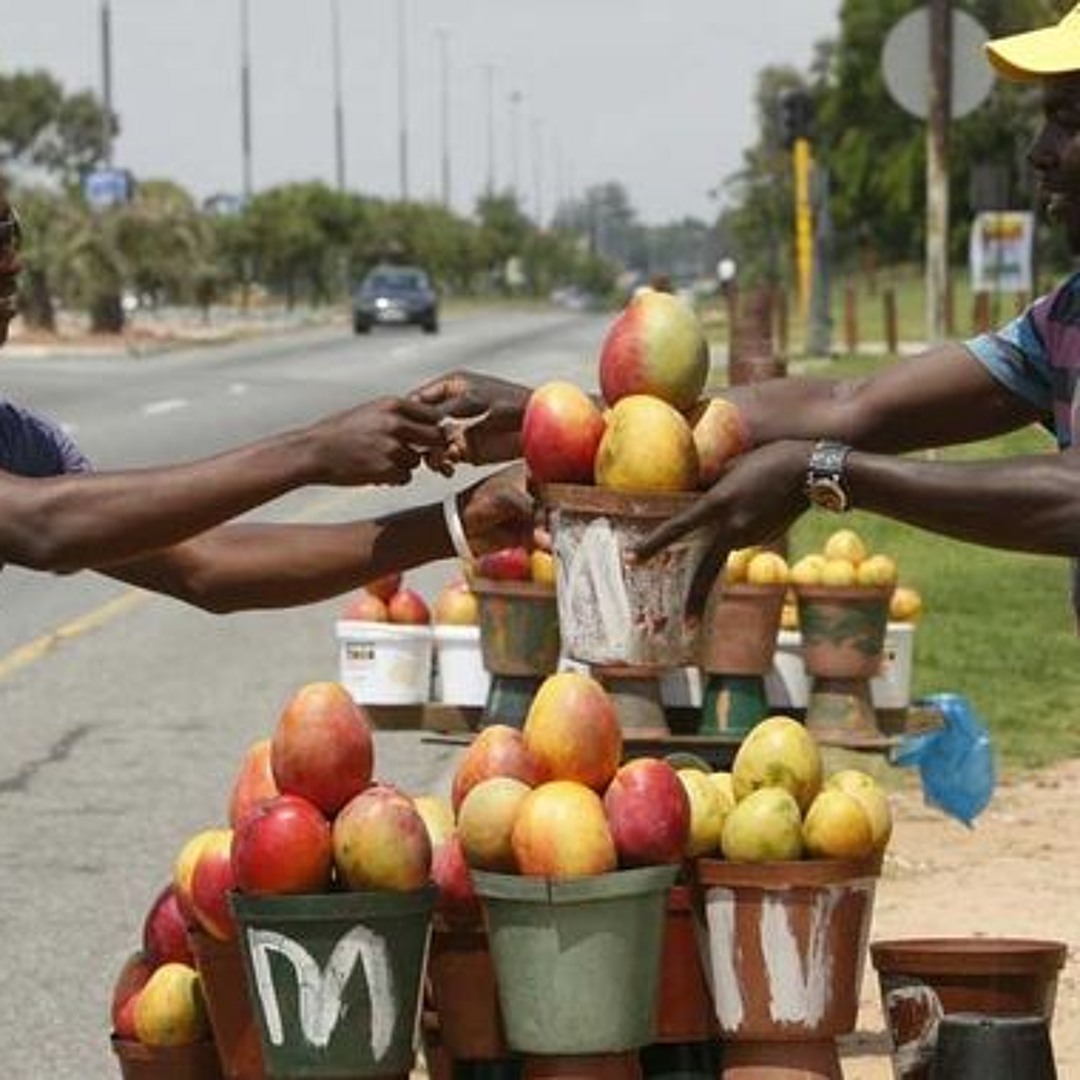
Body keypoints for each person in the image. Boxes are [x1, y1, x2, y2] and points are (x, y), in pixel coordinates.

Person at [626, 7, 1080, 628]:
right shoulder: (1067, 319)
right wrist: (585, 418)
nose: (1039, 153)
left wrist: (828, 471)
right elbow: (852, 403)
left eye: (1069, 120)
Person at [0, 193, 533, 611]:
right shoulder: (37, 492)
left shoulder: (20, 443)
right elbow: (46, 527)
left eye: (10, 276)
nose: (11, 297)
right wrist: (311, 453)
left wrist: (458, 521)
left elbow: (204, 565)